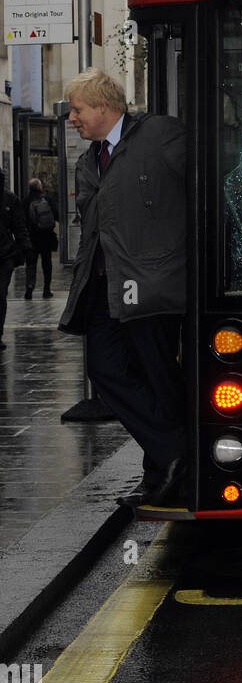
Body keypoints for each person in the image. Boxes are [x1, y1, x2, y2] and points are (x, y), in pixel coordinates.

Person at [59, 68, 188, 510]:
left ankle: (163, 473)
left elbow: (204, 186)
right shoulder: (88, 161)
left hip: (152, 285)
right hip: (105, 287)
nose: (71, 118)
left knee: (157, 376)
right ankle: (174, 453)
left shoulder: (160, 135)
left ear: (102, 106)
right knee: (105, 367)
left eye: (76, 110)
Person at [0, 172, 32, 347]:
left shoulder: (10, 200)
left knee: (0, 293)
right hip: (6, 252)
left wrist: (25, 248)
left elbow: (19, 226)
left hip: (5, 255)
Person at [23, 177, 59, 299]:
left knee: (31, 264)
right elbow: (56, 213)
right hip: (46, 237)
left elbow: (21, 220)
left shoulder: (26, 201)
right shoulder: (47, 199)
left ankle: (29, 286)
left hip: (31, 238)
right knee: (47, 264)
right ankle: (46, 289)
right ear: (40, 187)